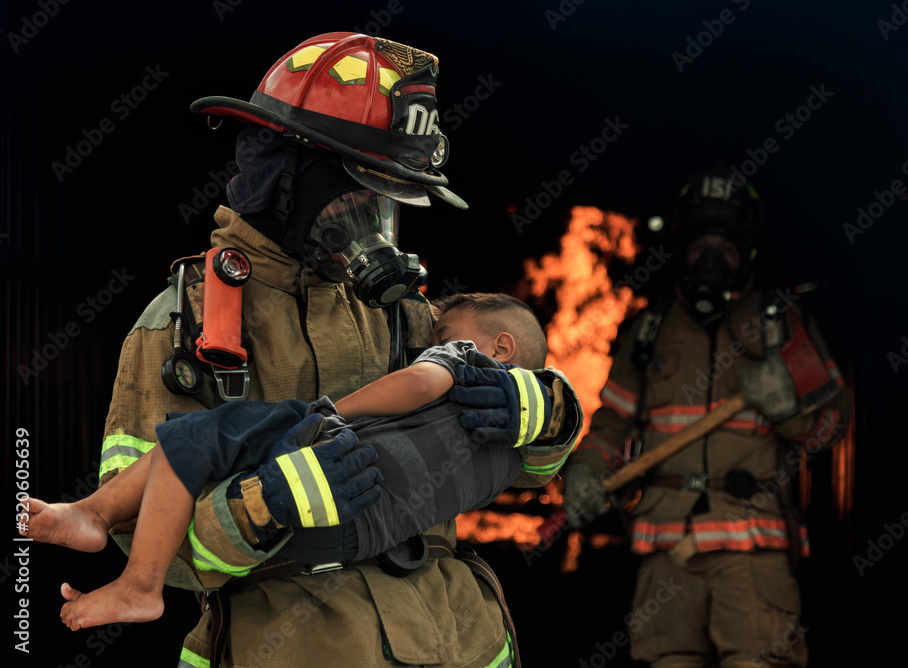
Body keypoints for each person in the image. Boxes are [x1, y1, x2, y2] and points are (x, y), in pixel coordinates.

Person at [94, 32, 581, 668]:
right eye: (360, 190)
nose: (377, 217)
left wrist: (544, 411)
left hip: (462, 641)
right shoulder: (183, 326)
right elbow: (137, 542)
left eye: (391, 197)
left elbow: (524, 467)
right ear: (286, 171)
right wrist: (262, 505)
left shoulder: (413, 317)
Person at [24, 293, 560, 632]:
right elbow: (529, 472)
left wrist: (333, 412)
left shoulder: (450, 347)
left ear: (502, 347)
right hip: (360, 537)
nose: (433, 337)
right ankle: (98, 519)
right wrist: (258, 506)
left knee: (200, 436)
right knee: (198, 438)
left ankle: (131, 573)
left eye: (442, 337)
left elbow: (422, 380)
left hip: (333, 497)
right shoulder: (507, 443)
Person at [562, 165, 852, 668]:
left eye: (727, 246)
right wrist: (586, 469)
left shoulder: (780, 326)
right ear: (681, 250)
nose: (712, 259)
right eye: (701, 244)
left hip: (752, 553)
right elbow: (613, 422)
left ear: (749, 254)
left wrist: (789, 409)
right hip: (666, 552)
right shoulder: (649, 331)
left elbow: (835, 420)